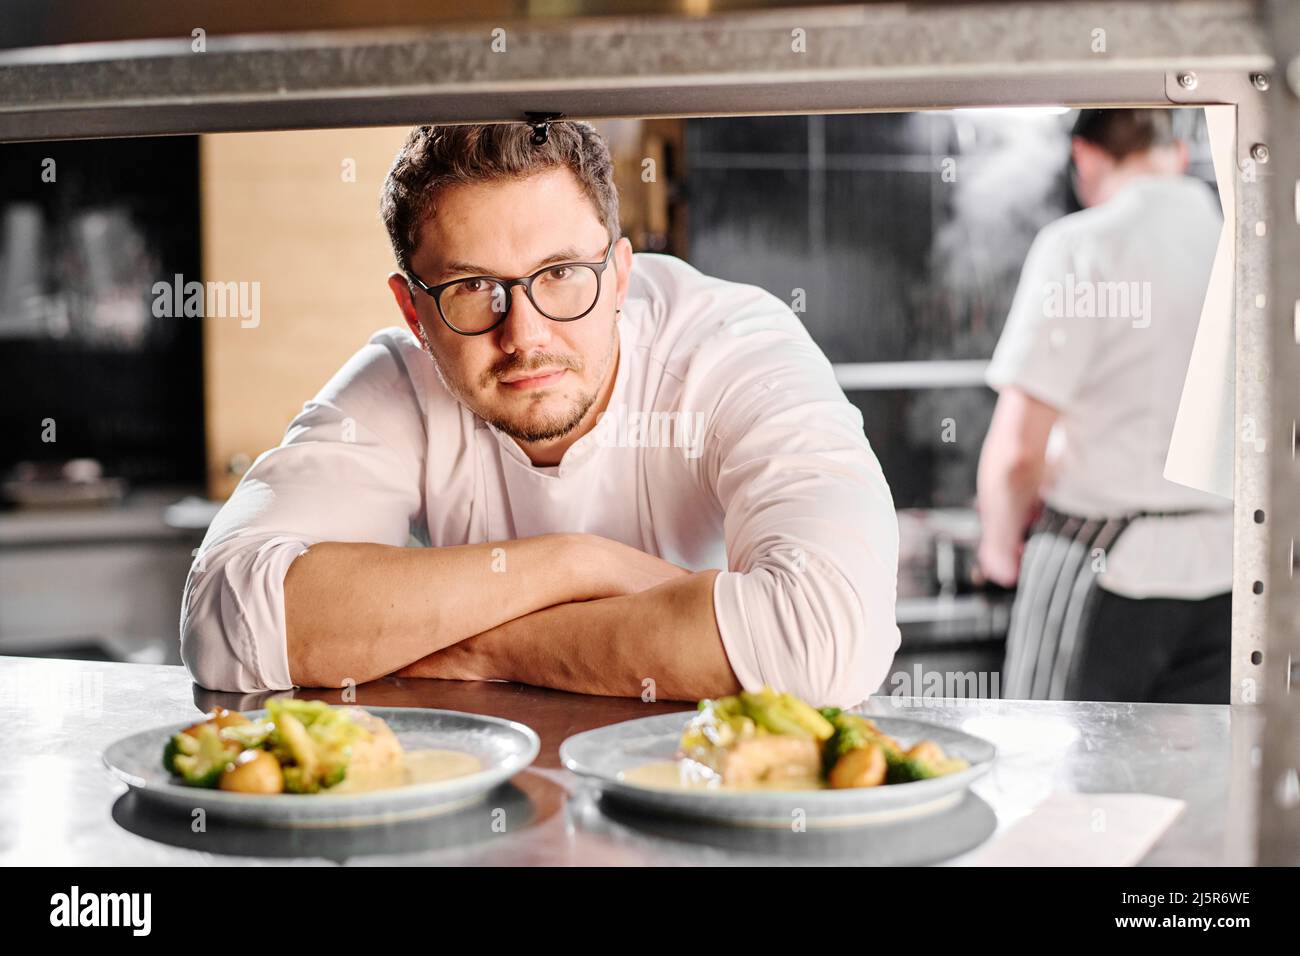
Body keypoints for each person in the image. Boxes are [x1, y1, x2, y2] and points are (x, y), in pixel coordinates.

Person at [179, 121, 901, 705]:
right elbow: (225, 620)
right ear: (413, 311)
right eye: (472, 288)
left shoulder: (733, 349)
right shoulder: (401, 381)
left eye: (560, 275)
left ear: (620, 273)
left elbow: (824, 642)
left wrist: (482, 647)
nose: (523, 334)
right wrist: (580, 563)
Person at [976, 108, 1232, 704]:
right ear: (1177, 152)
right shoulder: (1241, 244)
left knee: (1059, 777)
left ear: (1086, 156)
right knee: (1195, 787)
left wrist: (998, 545)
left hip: (1104, 568)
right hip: (1226, 575)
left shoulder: (1080, 246)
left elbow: (1018, 450)